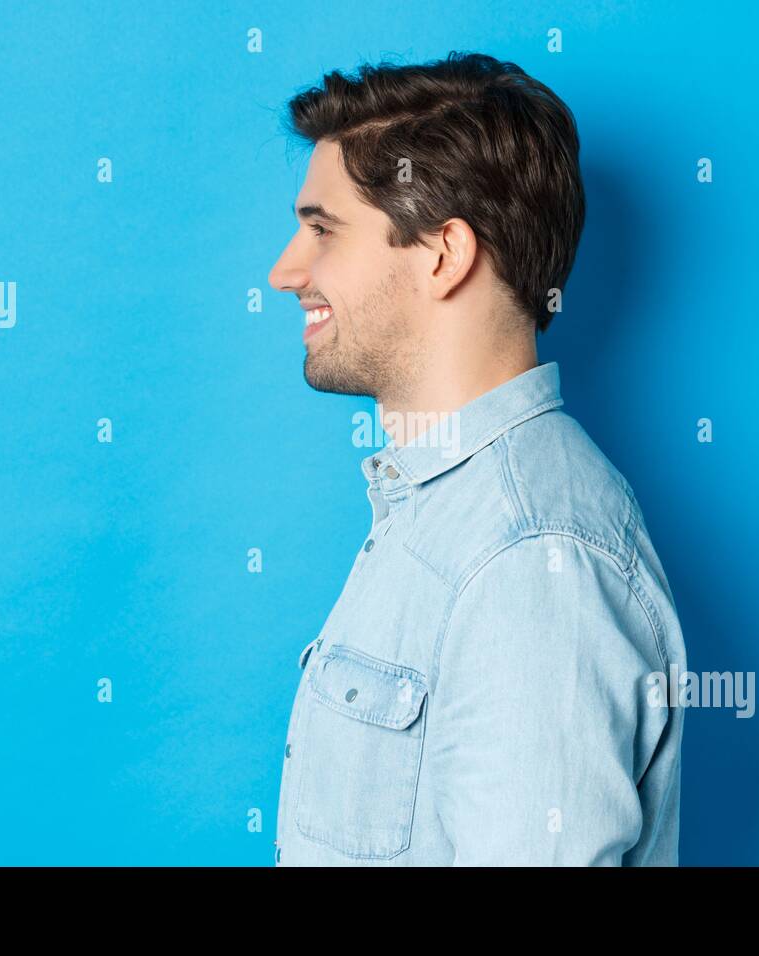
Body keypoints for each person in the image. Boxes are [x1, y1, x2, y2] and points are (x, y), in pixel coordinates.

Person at [266, 52, 686, 866]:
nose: (285, 271)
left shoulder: (531, 561)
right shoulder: (440, 514)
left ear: (442, 254)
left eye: (322, 229)